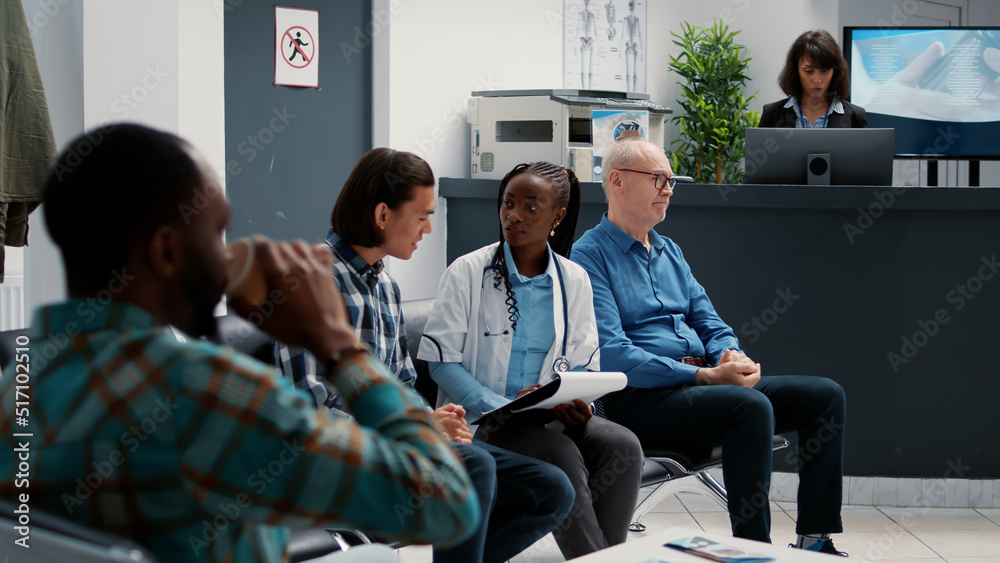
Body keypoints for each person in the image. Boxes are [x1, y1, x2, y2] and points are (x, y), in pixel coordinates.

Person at [0, 124, 480, 563]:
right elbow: (443, 503)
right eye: (216, 232)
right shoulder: (207, 392)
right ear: (167, 251)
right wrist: (337, 344)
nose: (229, 255)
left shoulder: (16, 384)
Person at [277, 148, 575, 563]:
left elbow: (400, 384)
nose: (429, 229)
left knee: (550, 489)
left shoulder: (384, 287)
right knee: (472, 466)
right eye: (422, 216)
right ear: (383, 215)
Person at [571, 140, 848, 556]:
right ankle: (752, 550)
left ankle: (814, 540)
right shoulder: (588, 257)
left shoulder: (669, 251)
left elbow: (710, 321)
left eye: (671, 181)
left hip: (702, 387)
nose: (668, 188)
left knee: (824, 395)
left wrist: (728, 355)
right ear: (617, 181)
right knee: (749, 407)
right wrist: (704, 375)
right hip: (641, 401)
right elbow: (613, 353)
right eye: (658, 179)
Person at [417, 162, 644, 560]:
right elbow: (442, 363)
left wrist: (579, 403)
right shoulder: (467, 272)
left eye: (530, 207)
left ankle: (605, 557)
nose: (514, 215)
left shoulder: (574, 279)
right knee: (558, 452)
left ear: (557, 216)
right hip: (485, 420)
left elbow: (584, 367)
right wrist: (497, 403)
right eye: (508, 203)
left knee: (623, 446)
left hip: (548, 414)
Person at [759, 30, 867, 128]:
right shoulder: (772, 113)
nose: (817, 80)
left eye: (824, 71)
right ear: (796, 71)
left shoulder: (854, 116)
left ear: (835, 71)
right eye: (808, 71)